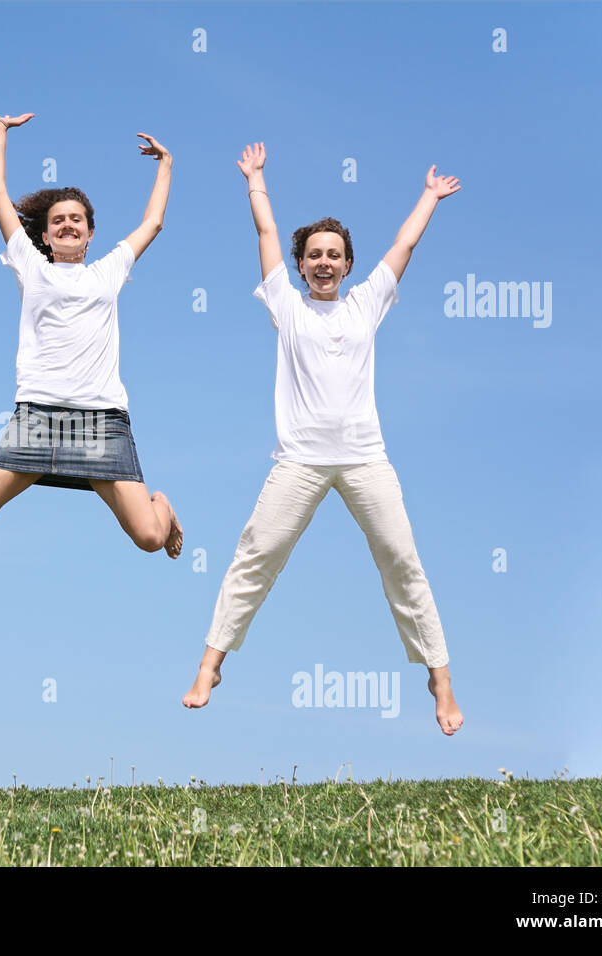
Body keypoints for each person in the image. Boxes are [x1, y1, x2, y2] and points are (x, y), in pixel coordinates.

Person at [183, 142, 464, 736]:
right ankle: (211, 665)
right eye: (314, 255)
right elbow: (265, 232)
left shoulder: (366, 305)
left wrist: (429, 197)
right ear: (302, 263)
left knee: (402, 560)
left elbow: (404, 245)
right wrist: (256, 180)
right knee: (256, 553)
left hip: (365, 459)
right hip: (300, 462)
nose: (325, 262)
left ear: (348, 264)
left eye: (334, 255)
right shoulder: (287, 306)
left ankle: (439, 680)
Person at [0, 113, 182, 558]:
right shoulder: (31, 267)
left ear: (89, 235)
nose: (68, 225)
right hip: (38, 417)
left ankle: (160, 503)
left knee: (149, 537)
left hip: (101, 420)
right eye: (59, 221)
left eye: (77, 221)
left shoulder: (109, 271)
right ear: (45, 236)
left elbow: (153, 224)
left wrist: (165, 164)